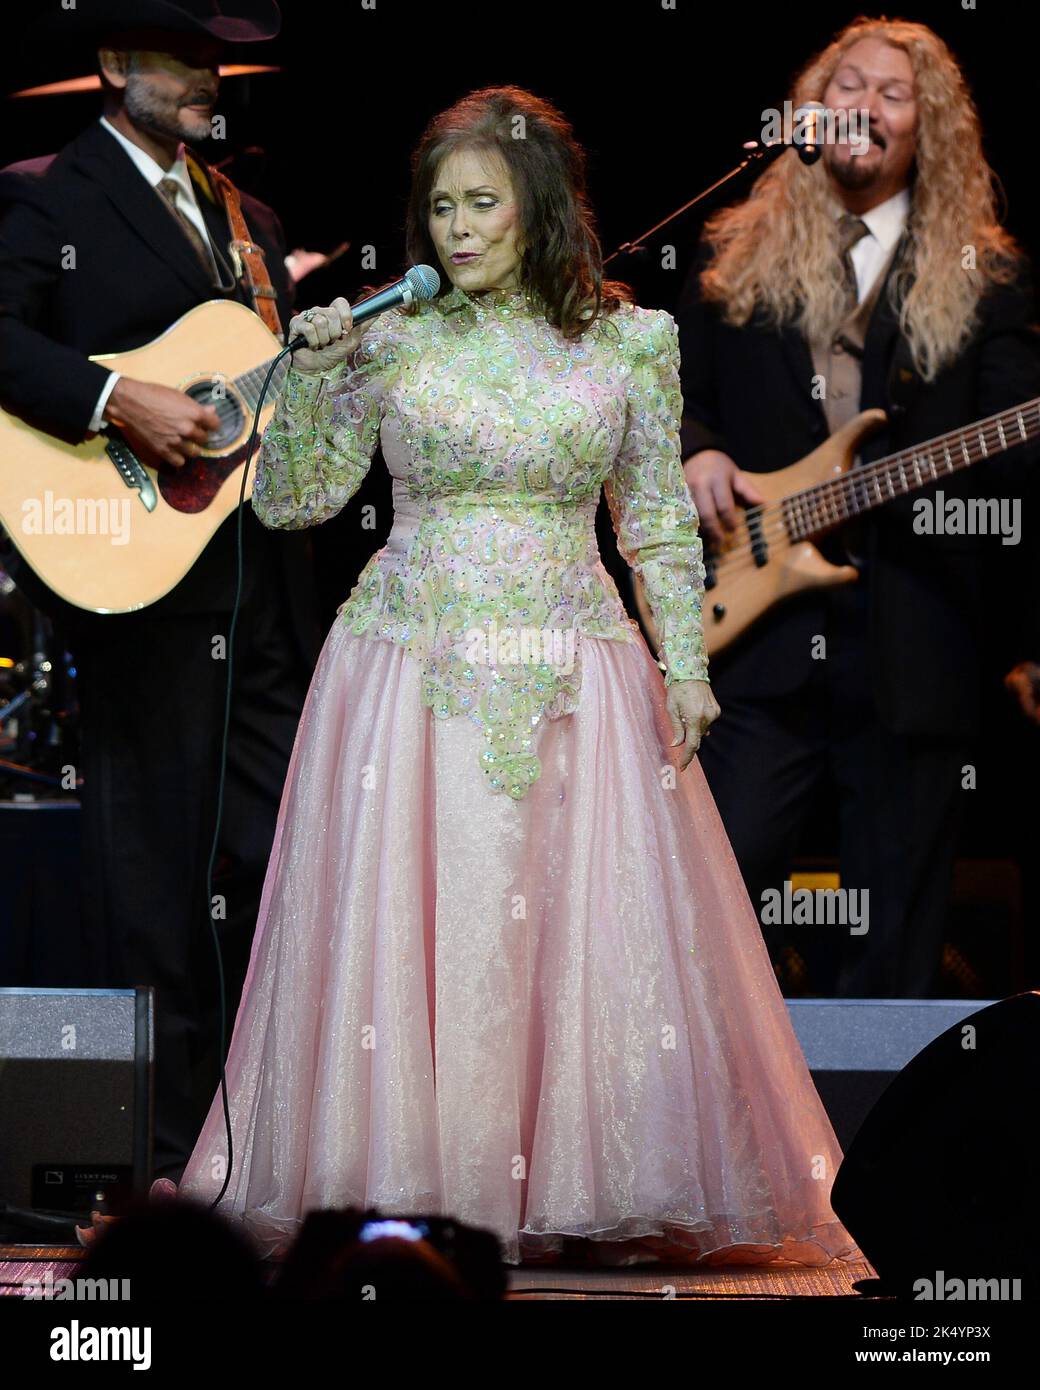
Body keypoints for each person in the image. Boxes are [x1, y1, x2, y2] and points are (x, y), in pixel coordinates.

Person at [171, 86, 859, 1269]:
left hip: (572, 667)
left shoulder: (626, 341)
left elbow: (650, 519)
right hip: (410, 662)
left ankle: (576, 1192)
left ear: (539, 211)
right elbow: (293, 499)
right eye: (438, 207)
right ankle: (408, 1193)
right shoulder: (388, 338)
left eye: (482, 203)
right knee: (419, 925)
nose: (456, 228)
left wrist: (686, 668)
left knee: (576, 925)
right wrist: (314, 378)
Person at [0, 0, 322, 1182]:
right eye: (182, 55)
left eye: (216, 56)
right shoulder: (47, 191)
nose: (208, 74)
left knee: (274, 855)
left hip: (261, 586)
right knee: (152, 872)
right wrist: (107, 399)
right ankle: (158, 1156)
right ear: (111, 66)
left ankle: (264, 1136)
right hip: (138, 582)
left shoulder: (253, 217)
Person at [675, 18, 1040, 998]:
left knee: (891, 952)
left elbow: (1018, 454)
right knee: (705, 905)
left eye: (892, 93)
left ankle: (875, 1149)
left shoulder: (983, 275)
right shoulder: (730, 257)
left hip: (914, 652)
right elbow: (670, 396)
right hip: (754, 644)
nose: (863, 107)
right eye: (845, 85)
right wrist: (697, 451)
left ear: (930, 129)